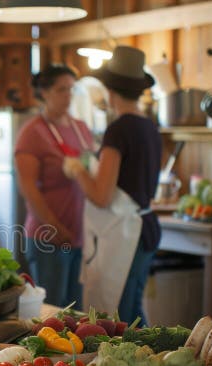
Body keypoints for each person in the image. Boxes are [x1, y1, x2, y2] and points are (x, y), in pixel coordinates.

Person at [63, 46, 162, 325]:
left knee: (120, 320)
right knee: (133, 311)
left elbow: (101, 195)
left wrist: (78, 170)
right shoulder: (149, 127)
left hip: (127, 235)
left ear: (109, 89)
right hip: (146, 229)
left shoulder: (118, 130)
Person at [14, 64, 94, 308]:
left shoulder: (80, 128)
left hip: (81, 235)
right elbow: (28, 188)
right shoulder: (32, 132)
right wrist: (55, 228)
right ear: (45, 92)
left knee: (76, 310)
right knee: (52, 311)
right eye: (61, 90)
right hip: (47, 237)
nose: (68, 96)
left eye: (71, 89)